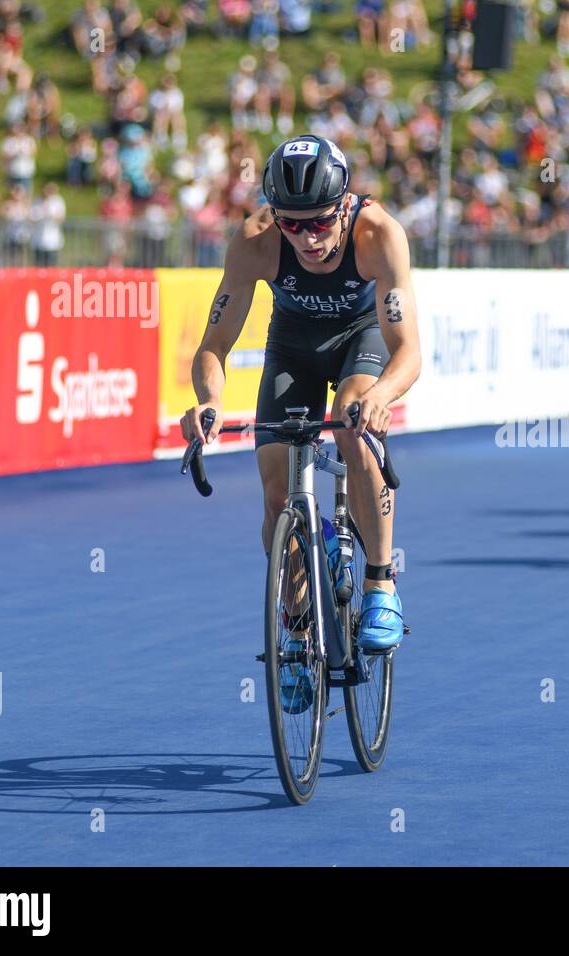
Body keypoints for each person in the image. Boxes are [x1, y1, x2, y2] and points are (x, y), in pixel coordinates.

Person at [178, 136, 420, 708]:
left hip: (362, 340)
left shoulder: (378, 232)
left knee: (352, 421)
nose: (307, 239)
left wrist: (383, 394)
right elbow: (214, 344)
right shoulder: (256, 240)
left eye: (318, 223)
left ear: (343, 205)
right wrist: (208, 400)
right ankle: (295, 631)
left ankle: (381, 580)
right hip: (293, 346)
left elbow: (407, 348)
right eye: (292, 225)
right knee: (274, 494)